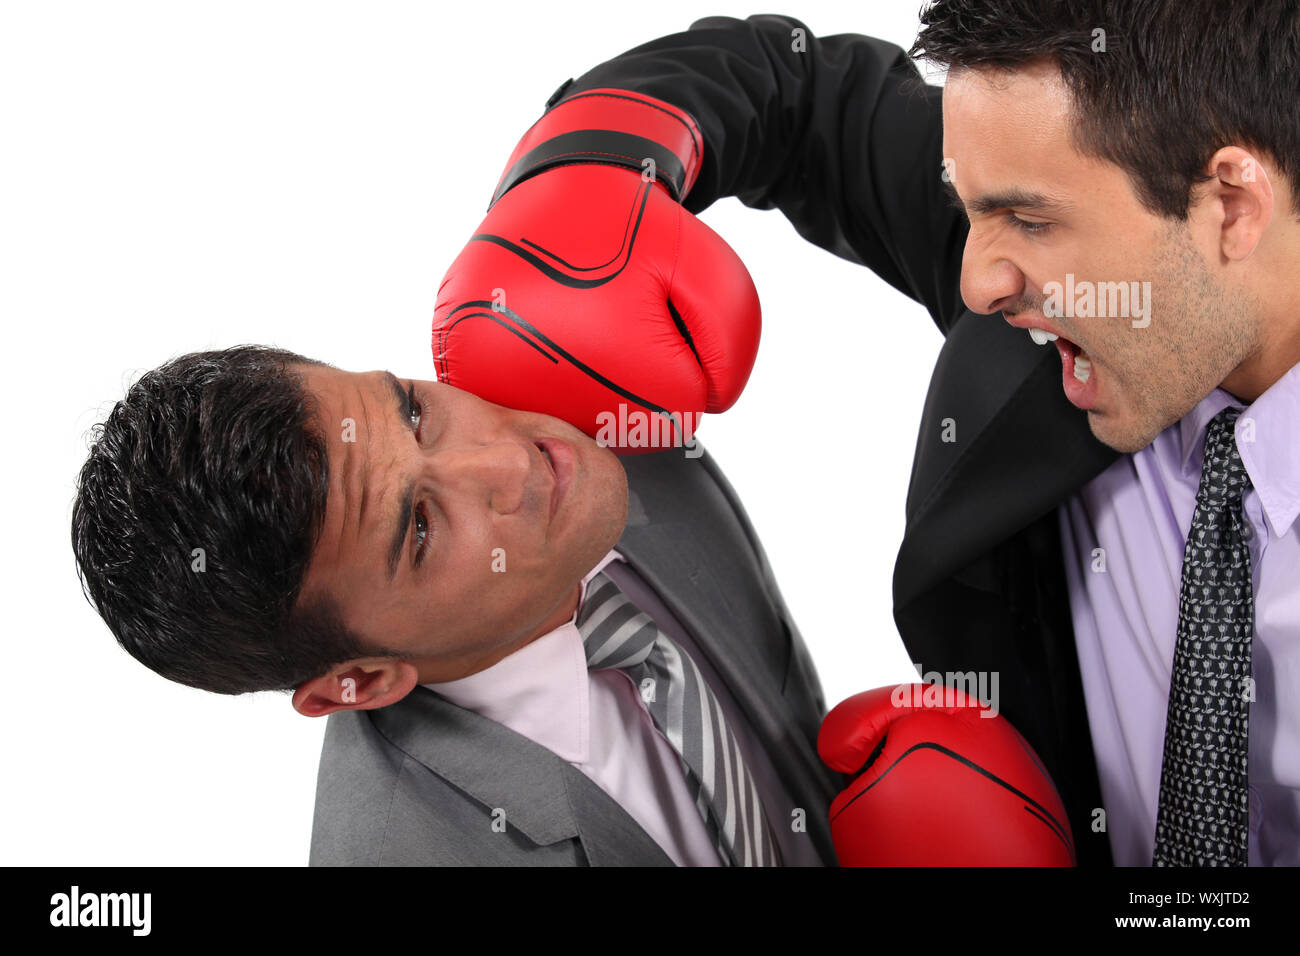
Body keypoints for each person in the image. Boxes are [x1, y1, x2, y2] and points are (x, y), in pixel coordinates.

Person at [434, 4, 1300, 866]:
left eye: (1030, 222)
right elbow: (799, 91)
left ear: (1230, 206)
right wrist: (588, 169)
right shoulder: (1072, 243)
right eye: (970, 209)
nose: (976, 282)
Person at [70, 345, 845, 865]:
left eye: (413, 412)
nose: (512, 457)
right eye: (419, 526)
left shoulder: (606, 426)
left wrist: (589, 145)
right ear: (362, 680)